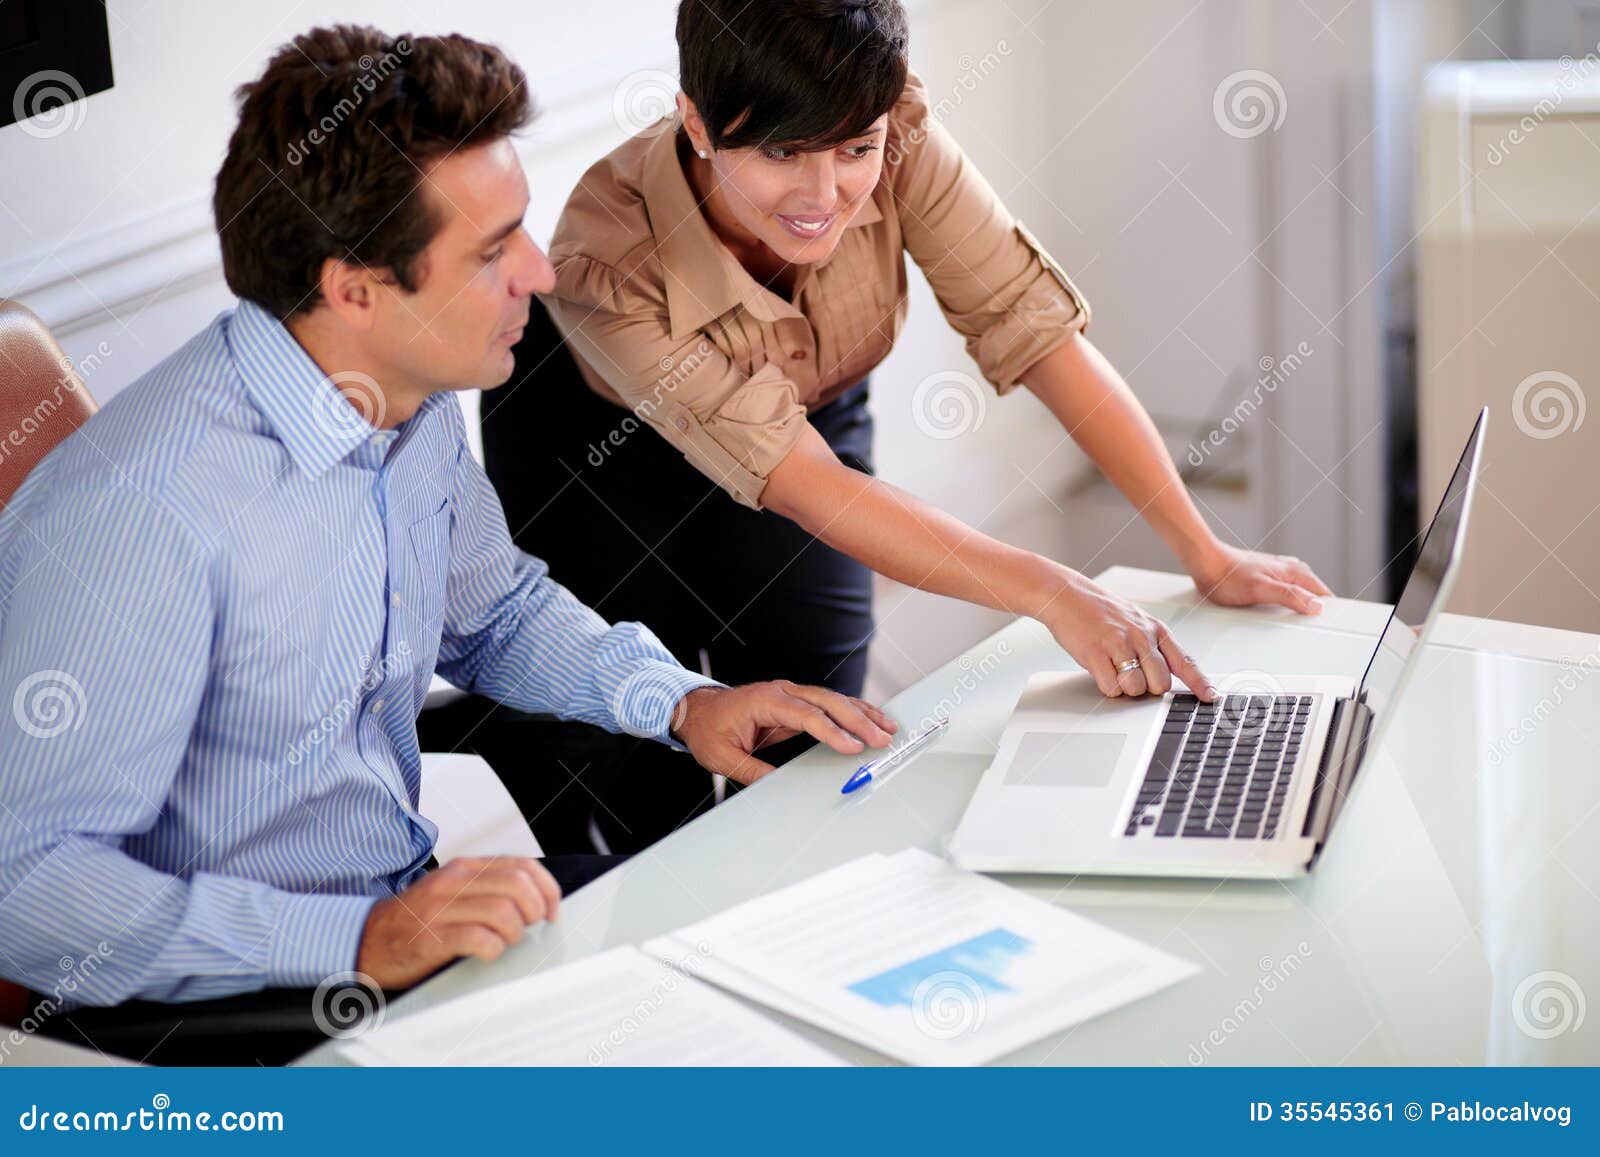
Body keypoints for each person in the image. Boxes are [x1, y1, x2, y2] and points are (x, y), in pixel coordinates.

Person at [0, 25, 894, 1028]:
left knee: (779, 937)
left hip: (394, 918)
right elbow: (26, 887)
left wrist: (684, 703)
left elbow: (496, 613)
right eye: (488, 251)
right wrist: (357, 941)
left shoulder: (403, 399)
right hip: (222, 1010)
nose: (538, 273)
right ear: (355, 289)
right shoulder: (140, 516)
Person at [476, 0, 1332, 840]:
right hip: (605, 452)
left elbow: (1036, 334)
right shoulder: (606, 257)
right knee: (643, 782)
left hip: (808, 413)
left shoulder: (897, 131)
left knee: (817, 737)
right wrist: (1054, 590)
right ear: (695, 124)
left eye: (856, 148)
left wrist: (1203, 551)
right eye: (780, 151)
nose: (825, 195)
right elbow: (807, 486)